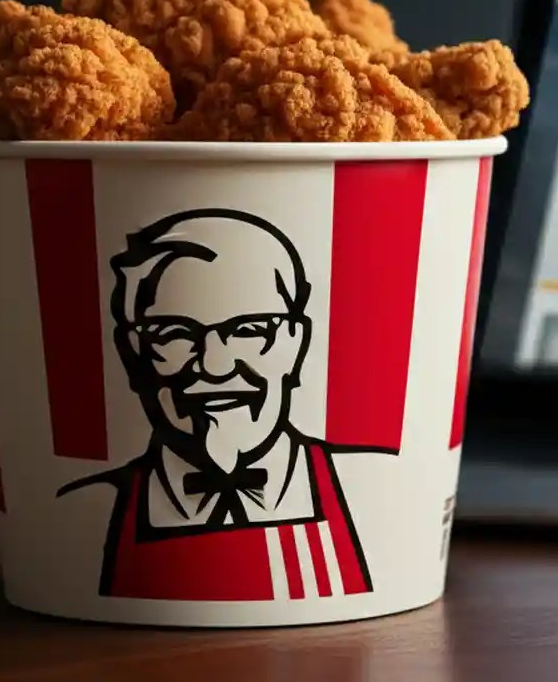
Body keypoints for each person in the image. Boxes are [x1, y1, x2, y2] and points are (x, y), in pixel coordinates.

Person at [59, 209, 371, 602]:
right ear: (133, 355)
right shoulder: (80, 511)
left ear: (295, 343)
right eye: (174, 334)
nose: (215, 365)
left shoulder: (374, 486)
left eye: (248, 330)